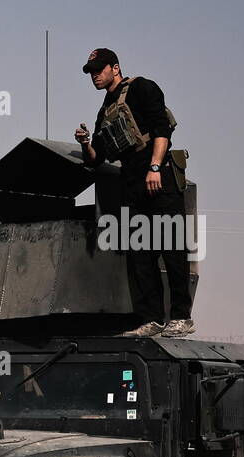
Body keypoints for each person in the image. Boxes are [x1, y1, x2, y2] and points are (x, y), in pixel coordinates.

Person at [75, 48, 194, 339]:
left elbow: (161, 130)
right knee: (141, 256)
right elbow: (96, 158)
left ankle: (181, 317)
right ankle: (152, 319)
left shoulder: (143, 88)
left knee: (172, 249)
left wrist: (154, 167)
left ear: (115, 68)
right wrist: (85, 142)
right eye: (91, 72)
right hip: (131, 185)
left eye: (99, 69)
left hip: (160, 178)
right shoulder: (105, 110)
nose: (95, 76)